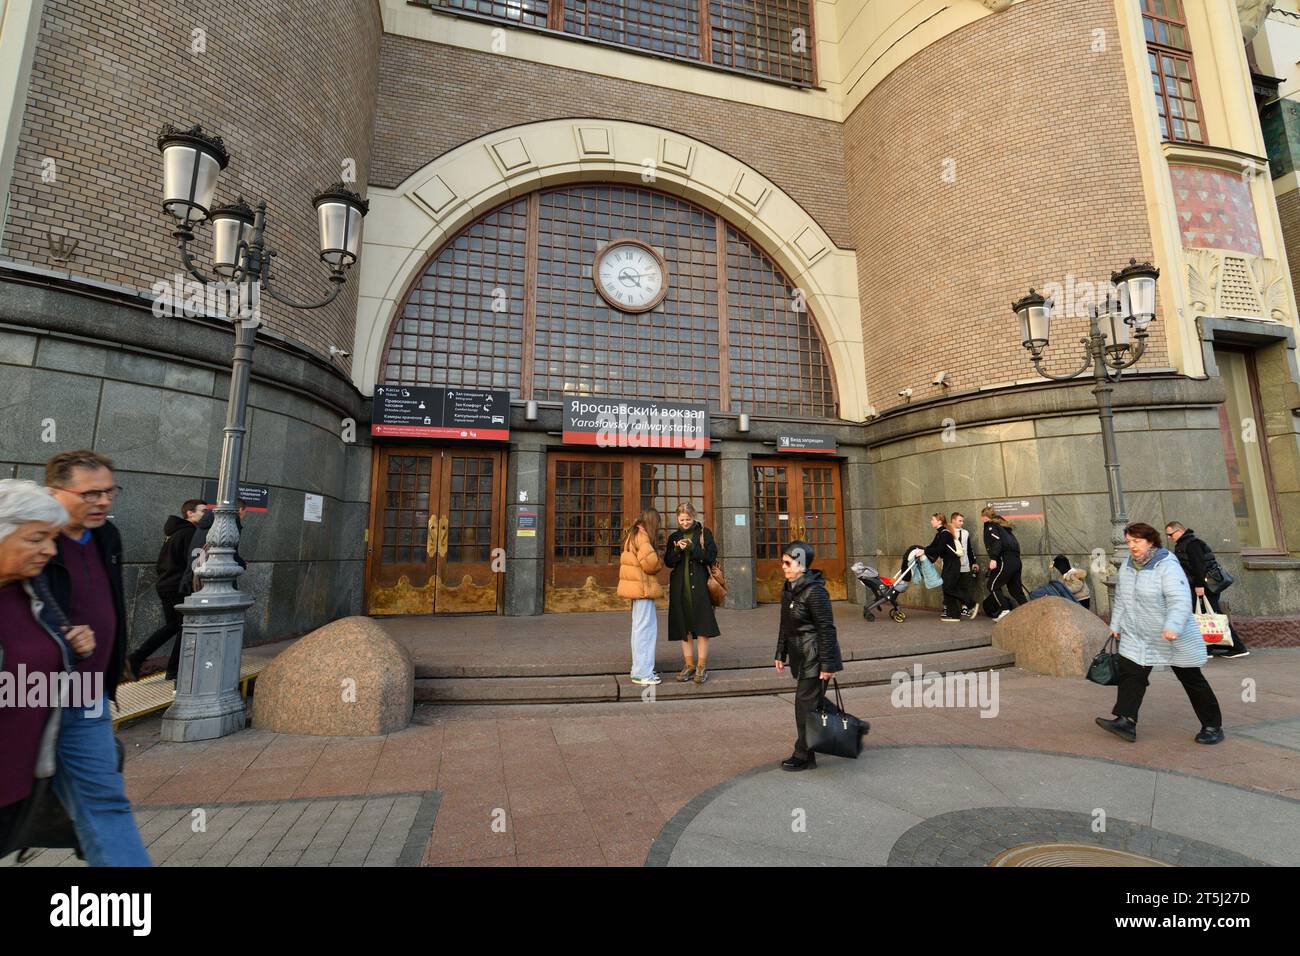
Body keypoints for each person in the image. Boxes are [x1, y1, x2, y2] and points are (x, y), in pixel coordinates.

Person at [44, 450, 152, 866]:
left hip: (88, 690)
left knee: (105, 800)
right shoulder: (31, 537)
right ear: (53, 493)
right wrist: (61, 633)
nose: (103, 502)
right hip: (28, 692)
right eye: (89, 494)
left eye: (109, 492)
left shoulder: (107, 536)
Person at [0, 480, 96, 855]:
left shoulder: (32, 591)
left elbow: (41, 661)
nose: (49, 550)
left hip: (23, 784)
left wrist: (75, 646)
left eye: (52, 538)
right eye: (36, 538)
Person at [1095, 522, 1224, 746]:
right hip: (1139, 634)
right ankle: (1126, 720)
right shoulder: (1128, 566)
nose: (1132, 546)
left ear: (1151, 541)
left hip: (1171, 635)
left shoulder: (1166, 565)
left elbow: (1180, 600)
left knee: (1191, 679)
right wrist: (1115, 625)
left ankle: (1212, 725)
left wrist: (1173, 627)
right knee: (1131, 674)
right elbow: (1123, 599)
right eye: (1129, 542)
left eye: (1137, 541)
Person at [773, 540, 843, 772]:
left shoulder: (815, 592)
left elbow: (826, 628)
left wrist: (828, 663)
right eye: (783, 562)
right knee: (811, 703)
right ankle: (840, 729)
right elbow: (785, 624)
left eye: (787, 562)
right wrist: (780, 653)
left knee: (804, 706)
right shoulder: (788, 589)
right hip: (800, 656)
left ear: (801, 565)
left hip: (815, 657)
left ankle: (803, 754)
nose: (783, 566)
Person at [127, 499, 207, 680]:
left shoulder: (174, 533)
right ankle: (173, 670)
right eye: (202, 511)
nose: (206, 514)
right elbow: (194, 563)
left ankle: (137, 659)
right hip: (178, 586)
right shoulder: (190, 533)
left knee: (175, 625)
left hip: (166, 584)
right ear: (190, 513)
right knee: (186, 626)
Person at [1166, 522, 1247, 659]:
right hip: (1201, 586)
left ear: (1179, 531)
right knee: (1206, 616)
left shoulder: (1192, 544)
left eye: (1170, 534)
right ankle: (1212, 648)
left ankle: (1235, 647)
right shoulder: (1185, 543)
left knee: (1207, 616)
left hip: (1205, 587)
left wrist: (1199, 586)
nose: (1169, 537)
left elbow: (1199, 566)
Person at [664, 502, 720, 684]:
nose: (685, 522)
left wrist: (692, 548)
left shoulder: (704, 533)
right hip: (681, 587)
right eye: (682, 519)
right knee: (684, 627)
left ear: (694, 516)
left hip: (701, 586)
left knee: (703, 626)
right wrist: (677, 550)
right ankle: (689, 665)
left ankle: (701, 665)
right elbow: (668, 562)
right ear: (677, 519)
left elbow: (710, 556)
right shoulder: (674, 536)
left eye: (688, 519)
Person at [618, 508, 663, 686]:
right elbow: (651, 564)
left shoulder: (632, 534)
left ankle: (639, 669)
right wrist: (660, 559)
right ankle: (643, 672)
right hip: (643, 588)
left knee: (639, 629)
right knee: (646, 630)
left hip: (636, 589)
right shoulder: (643, 537)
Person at [910, 513, 963, 622]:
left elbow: (939, 550)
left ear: (939, 521)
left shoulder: (945, 534)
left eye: (933, 519)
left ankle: (970, 603)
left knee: (948, 588)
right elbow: (932, 546)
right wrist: (920, 550)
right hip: (948, 563)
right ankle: (953, 614)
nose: (931, 521)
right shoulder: (940, 534)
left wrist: (924, 551)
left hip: (953, 563)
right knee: (947, 587)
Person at [980, 507, 1027, 620]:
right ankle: (1029, 611)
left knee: (992, 585)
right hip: (1016, 561)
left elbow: (996, 542)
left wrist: (993, 558)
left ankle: (1005, 610)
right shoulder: (1004, 528)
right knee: (1016, 591)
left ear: (984, 517)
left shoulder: (991, 526)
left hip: (1005, 559)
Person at [950, 512, 980, 618]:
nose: (962, 523)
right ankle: (950, 608)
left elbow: (969, 549)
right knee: (952, 587)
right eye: (960, 520)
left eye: (963, 521)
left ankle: (965, 608)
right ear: (953, 520)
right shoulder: (947, 531)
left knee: (965, 587)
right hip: (952, 566)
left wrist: (973, 562)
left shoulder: (965, 533)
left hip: (965, 564)